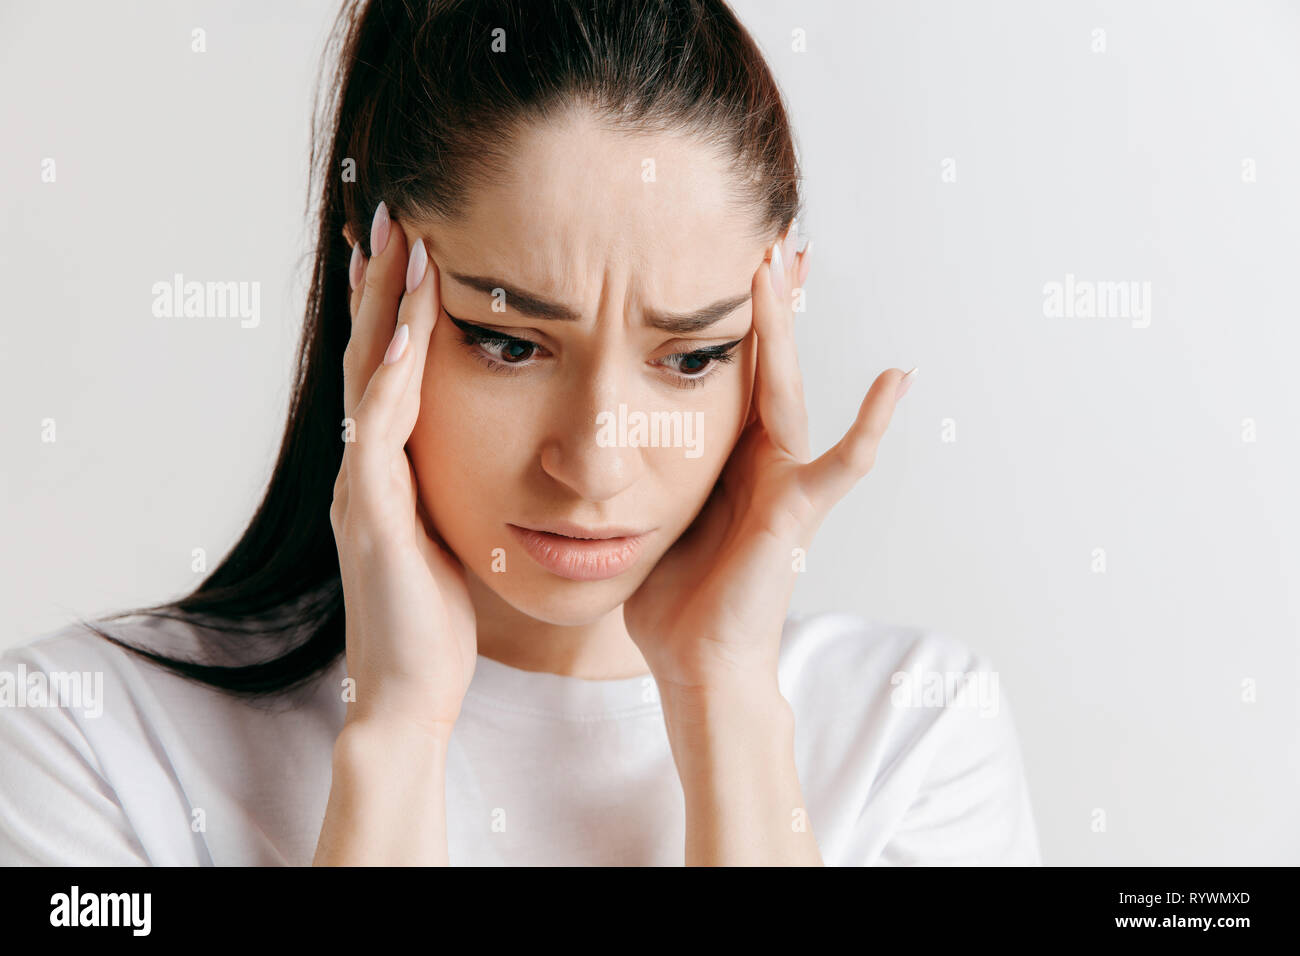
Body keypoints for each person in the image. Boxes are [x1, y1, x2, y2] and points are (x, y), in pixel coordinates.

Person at [0, 0, 1040, 866]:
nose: (594, 458)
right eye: (508, 341)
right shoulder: (88, 736)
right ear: (376, 287)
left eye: (689, 358)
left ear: (773, 326)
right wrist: (396, 732)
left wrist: (726, 704)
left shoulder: (913, 730)